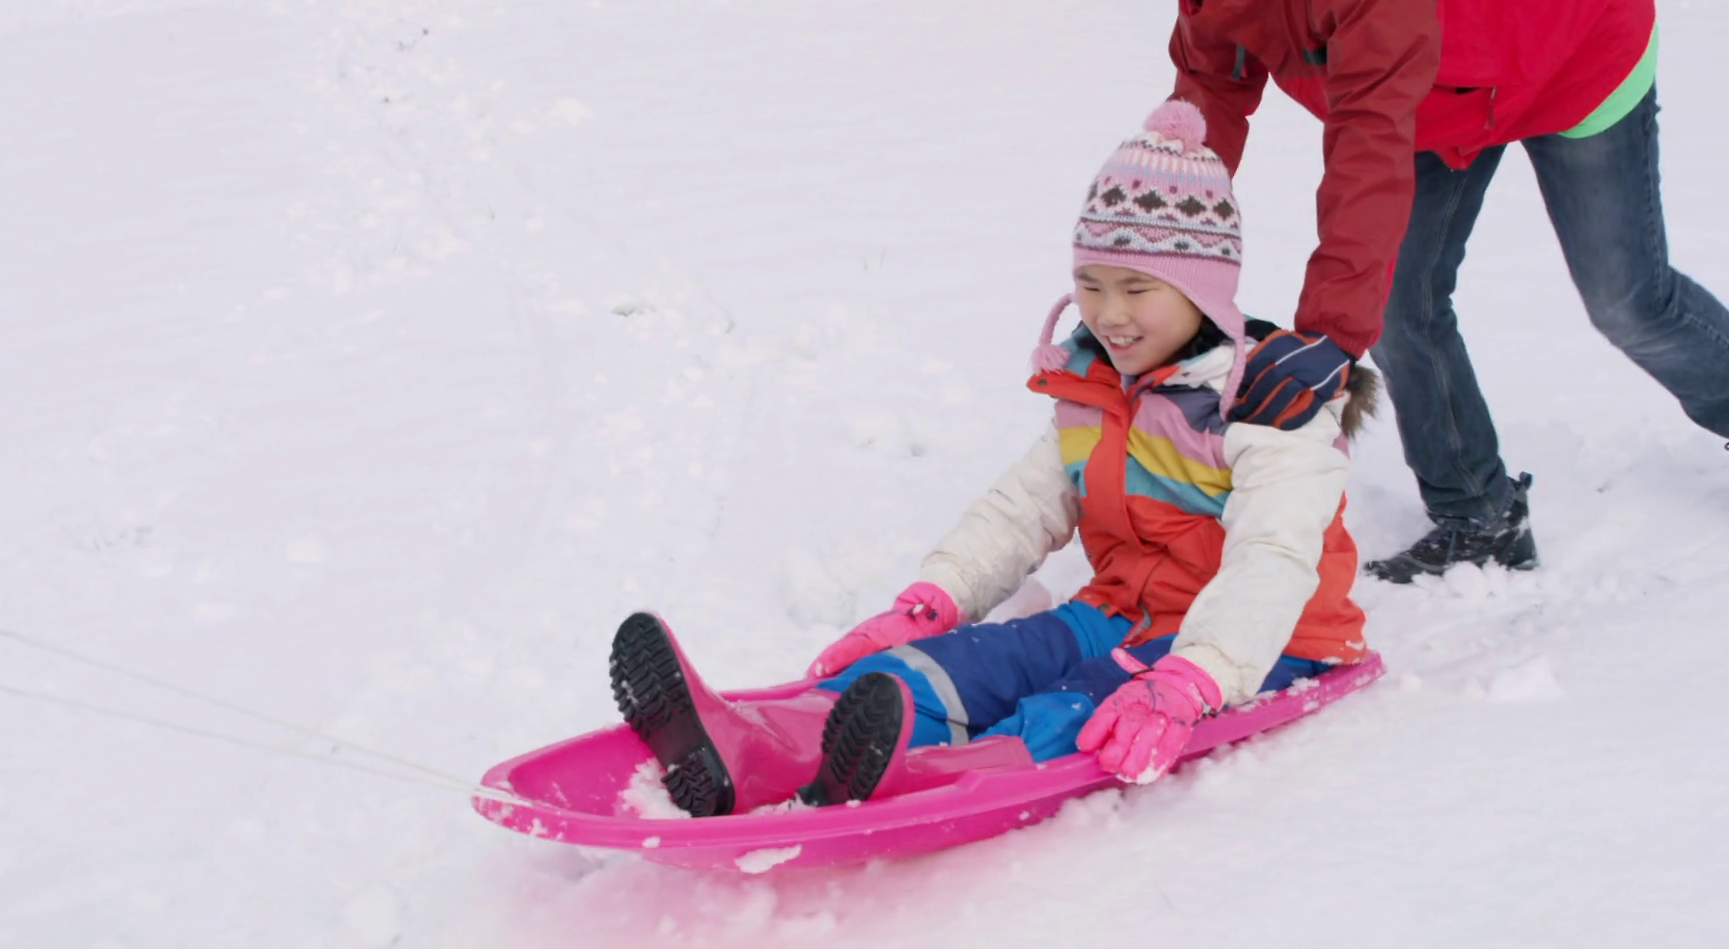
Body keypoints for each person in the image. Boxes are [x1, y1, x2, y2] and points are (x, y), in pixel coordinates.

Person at [610, 104, 1375, 819]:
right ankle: (768, 741)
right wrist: (929, 605)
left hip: (1259, 641)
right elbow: (1022, 509)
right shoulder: (1094, 390)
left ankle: (941, 774)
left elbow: (1273, 558)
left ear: (1204, 293)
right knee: (959, 665)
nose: (1108, 313)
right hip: (1115, 611)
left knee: (1081, 705)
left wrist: (1194, 675)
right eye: (1090, 284)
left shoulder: (1267, 405)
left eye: (1137, 288)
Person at [1166, 0, 1729, 583]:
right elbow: (1210, 85)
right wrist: (1154, 260)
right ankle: (1479, 514)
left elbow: (1368, 147)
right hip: (1432, 97)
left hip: (1575, 59)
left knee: (1629, 302)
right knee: (1397, 305)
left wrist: (1328, 338)